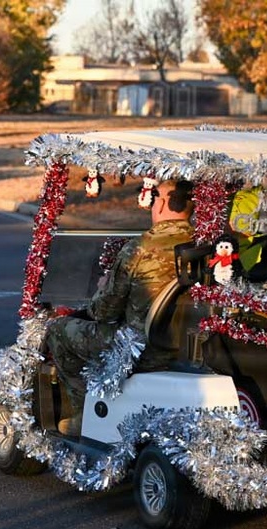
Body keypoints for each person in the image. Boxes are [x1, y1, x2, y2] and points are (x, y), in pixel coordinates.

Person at [45, 179, 196, 435]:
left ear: (161, 203)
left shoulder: (140, 249)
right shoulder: (204, 244)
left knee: (59, 330)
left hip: (140, 349)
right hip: (188, 347)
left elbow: (104, 311)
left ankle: (84, 414)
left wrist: (102, 288)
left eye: (154, 198)